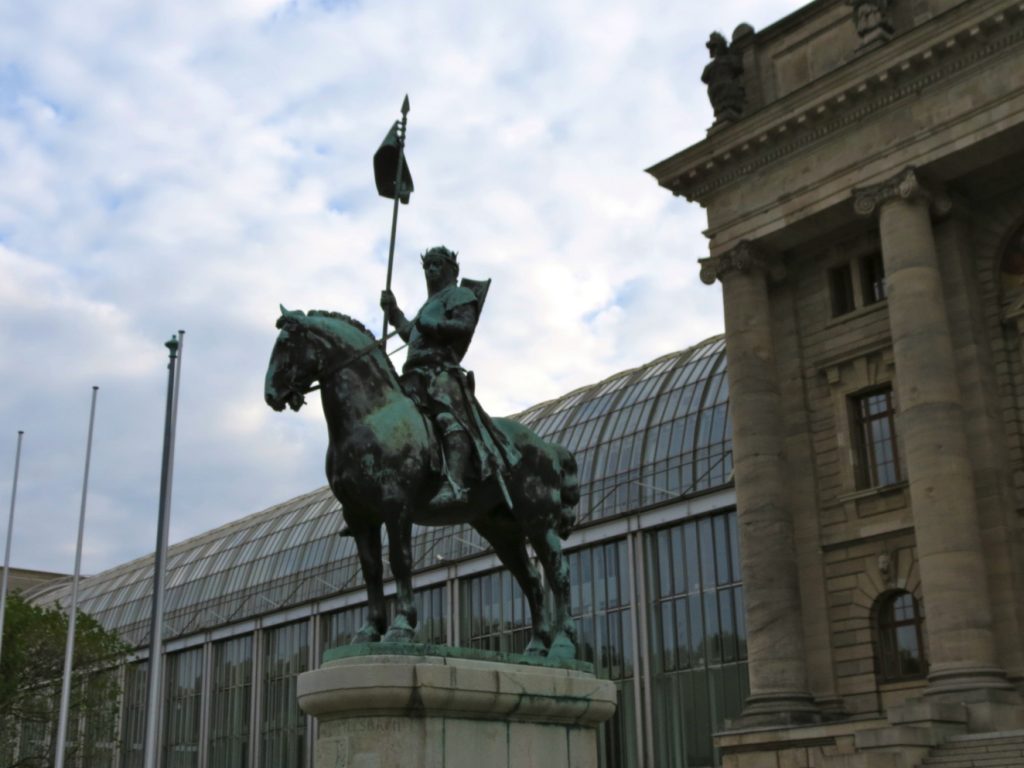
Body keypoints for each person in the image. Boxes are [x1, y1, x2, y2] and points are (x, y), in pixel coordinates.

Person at [381, 246, 518, 510]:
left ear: (452, 270)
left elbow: (464, 326)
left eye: (436, 265)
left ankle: (455, 483)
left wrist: (431, 326)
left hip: (441, 372)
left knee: (446, 417)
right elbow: (412, 333)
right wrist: (395, 312)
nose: (431, 270)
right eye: (427, 266)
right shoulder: (429, 304)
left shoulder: (459, 295)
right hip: (413, 375)